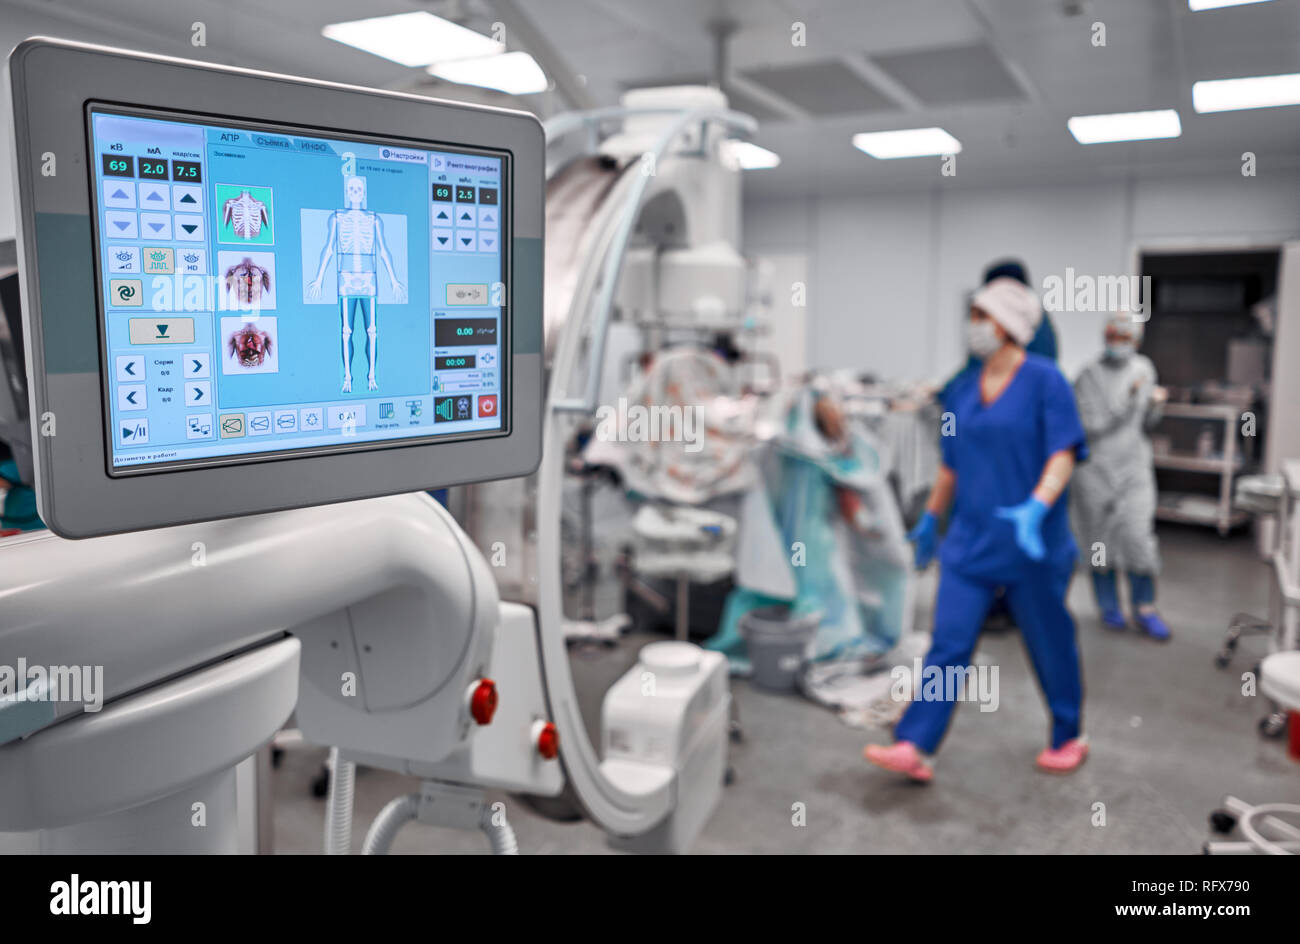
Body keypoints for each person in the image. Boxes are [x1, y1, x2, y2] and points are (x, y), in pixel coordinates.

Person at [865, 277, 1089, 781]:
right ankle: (916, 744)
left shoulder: (1046, 380)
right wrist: (928, 519)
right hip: (969, 540)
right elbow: (951, 465)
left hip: (1033, 542)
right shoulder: (962, 390)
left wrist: (1037, 506)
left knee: (1050, 641)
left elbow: (1064, 451)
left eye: (982, 316)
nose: (974, 327)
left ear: (1008, 325)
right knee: (948, 643)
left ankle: (1069, 732)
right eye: (974, 316)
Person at [1071, 314, 1170, 640]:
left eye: (1125, 337)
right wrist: (1127, 401)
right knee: (1101, 544)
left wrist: (1156, 407)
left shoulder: (1144, 369)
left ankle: (1145, 608)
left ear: (1136, 340)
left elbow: (1146, 422)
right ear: (1104, 336)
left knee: (1138, 538)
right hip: (1096, 471)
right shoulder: (1088, 375)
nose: (1119, 342)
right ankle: (1109, 607)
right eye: (1114, 335)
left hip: (1133, 468)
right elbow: (1090, 425)